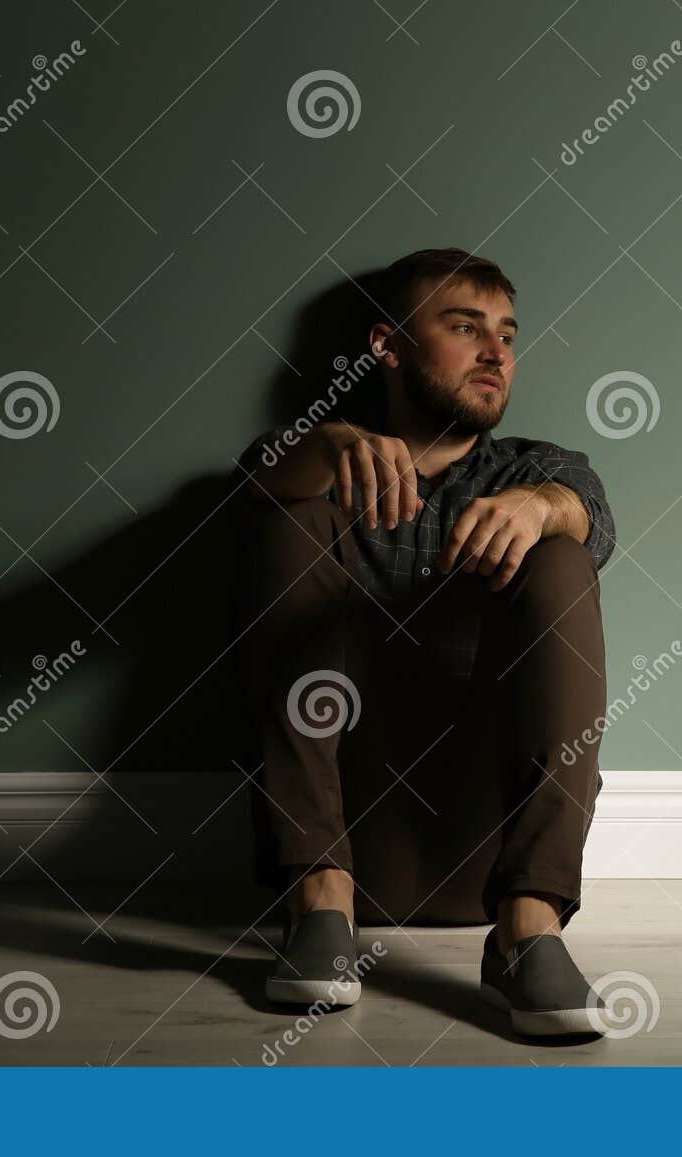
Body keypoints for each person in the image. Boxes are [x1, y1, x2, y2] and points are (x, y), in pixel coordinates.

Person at [233, 247, 616, 1037]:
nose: (495, 352)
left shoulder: (537, 466)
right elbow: (253, 481)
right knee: (292, 518)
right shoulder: (319, 457)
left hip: (490, 847)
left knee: (561, 553)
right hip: (340, 842)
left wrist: (543, 507)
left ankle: (528, 933)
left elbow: (590, 513)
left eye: (508, 335)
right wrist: (330, 444)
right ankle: (318, 911)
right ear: (389, 345)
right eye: (464, 326)